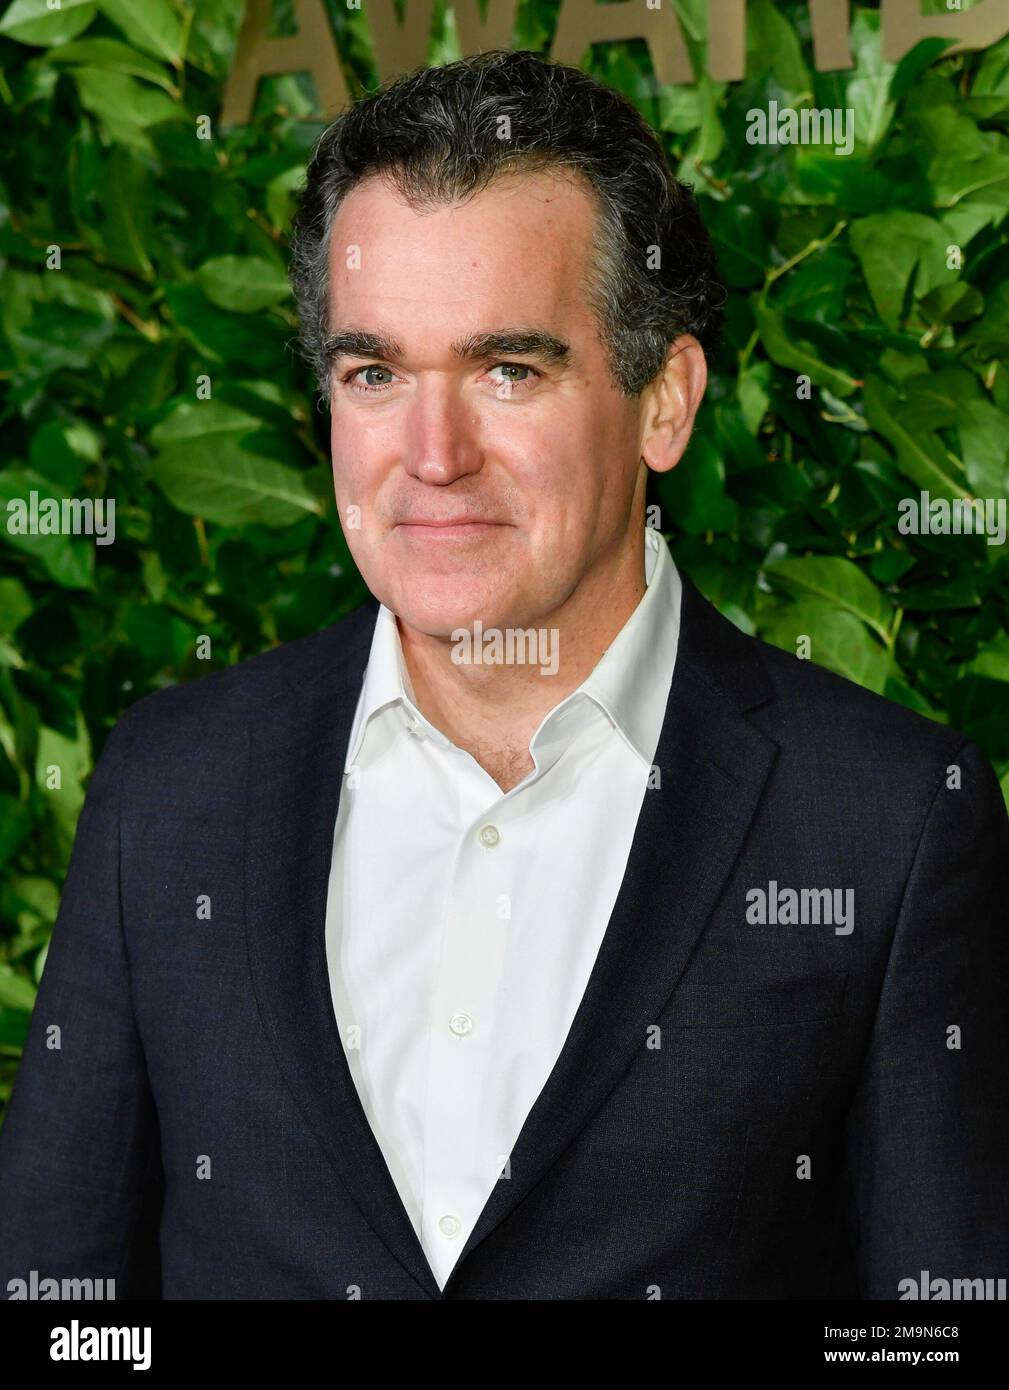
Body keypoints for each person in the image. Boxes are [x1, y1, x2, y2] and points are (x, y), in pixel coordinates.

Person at [1, 48, 1006, 1301]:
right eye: (375, 373)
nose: (431, 455)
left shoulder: (889, 823)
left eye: (507, 370)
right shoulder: (170, 785)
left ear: (664, 403)